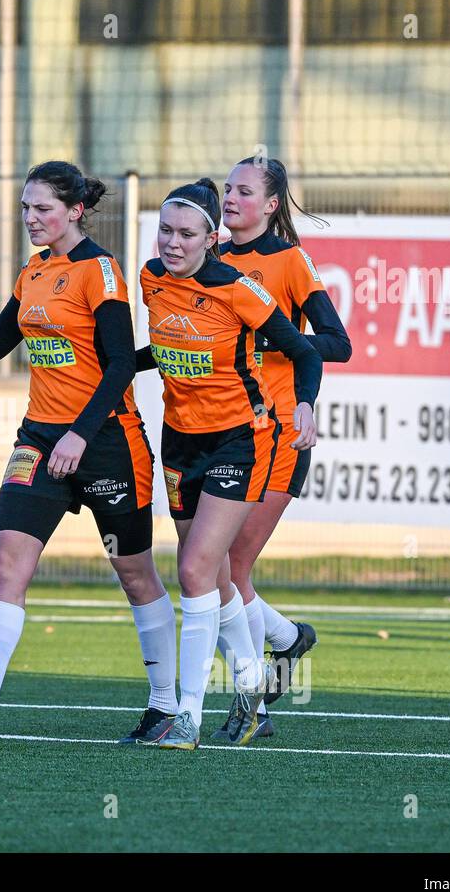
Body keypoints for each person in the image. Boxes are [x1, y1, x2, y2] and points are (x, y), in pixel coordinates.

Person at [0, 160, 177, 747]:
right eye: (26, 208)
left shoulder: (100, 270)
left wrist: (80, 434)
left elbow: (120, 365)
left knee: (135, 572)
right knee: (7, 565)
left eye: (43, 208)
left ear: (75, 210)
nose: (31, 218)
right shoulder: (34, 270)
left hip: (106, 441)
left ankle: (164, 707)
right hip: (38, 441)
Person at [131, 179, 322, 750]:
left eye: (187, 234)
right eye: (165, 230)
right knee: (212, 575)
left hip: (239, 441)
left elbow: (307, 349)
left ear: (211, 239)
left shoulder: (239, 290)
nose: (173, 243)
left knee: (196, 569)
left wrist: (304, 403)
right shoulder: (150, 279)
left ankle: (187, 717)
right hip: (179, 442)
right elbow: (166, 349)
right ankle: (252, 683)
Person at [214, 157, 351, 739]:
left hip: (279, 435)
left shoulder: (289, 261)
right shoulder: (211, 258)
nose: (230, 198)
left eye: (244, 191)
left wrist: (272, 341)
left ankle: (256, 704)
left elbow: (337, 343)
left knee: (226, 566)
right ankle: (288, 640)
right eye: (227, 189)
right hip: (225, 432)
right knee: (216, 567)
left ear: (271, 205)